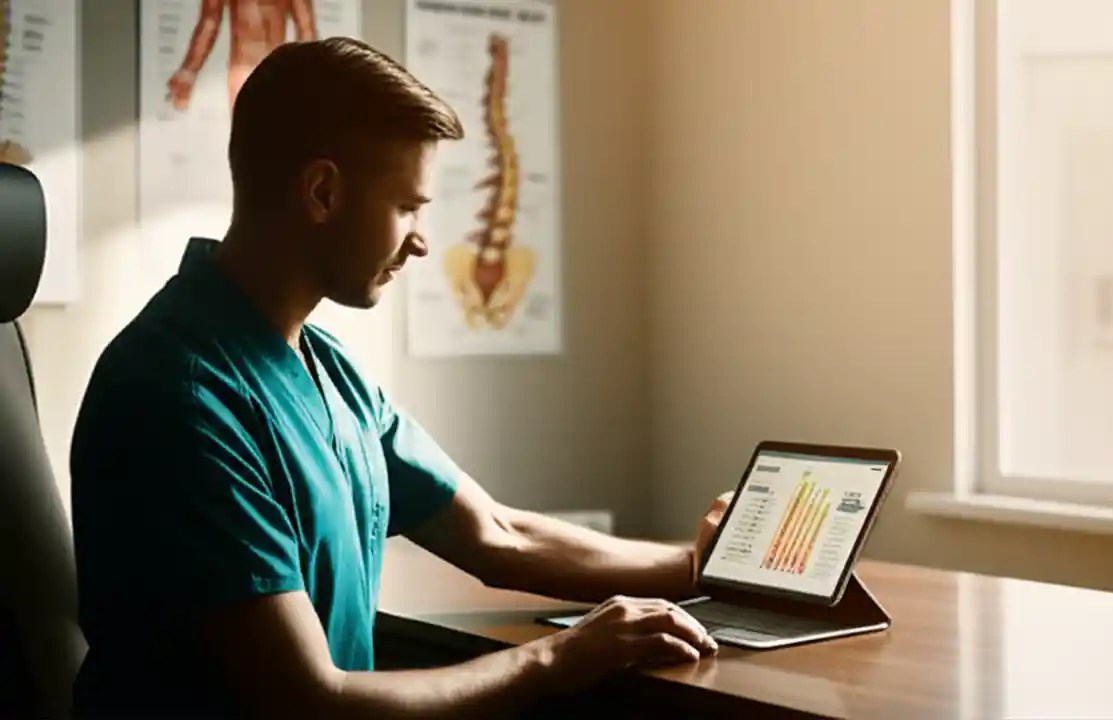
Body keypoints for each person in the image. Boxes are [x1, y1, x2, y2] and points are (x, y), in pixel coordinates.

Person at [71, 37, 732, 718]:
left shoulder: (324, 367)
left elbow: (498, 535)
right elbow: (312, 700)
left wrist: (700, 566)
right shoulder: (182, 397)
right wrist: (558, 657)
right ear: (322, 191)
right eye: (408, 207)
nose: (420, 240)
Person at [166, 0, 317, 112]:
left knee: (260, 144)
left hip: (254, 70)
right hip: (258, 70)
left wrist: (188, 72)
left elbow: (210, 21)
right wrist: (188, 72)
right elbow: (305, 27)